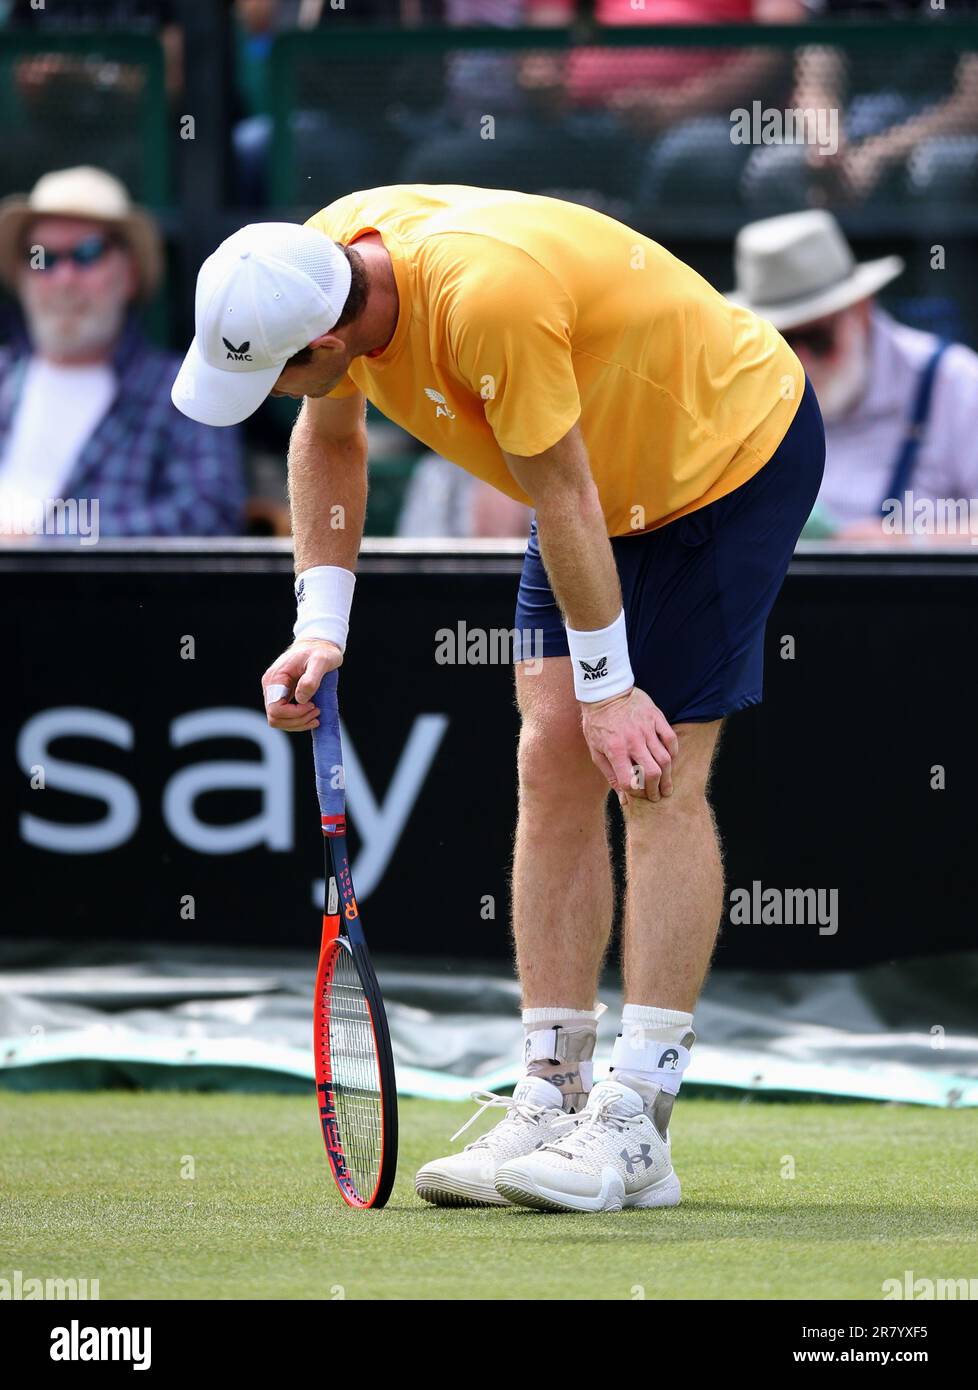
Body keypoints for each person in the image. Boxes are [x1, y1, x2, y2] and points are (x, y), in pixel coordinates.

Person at [171, 185, 825, 1214]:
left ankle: (638, 1121)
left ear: (333, 336)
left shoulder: (486, 302)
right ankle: (553, 1093)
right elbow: (329, 441)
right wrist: (320, 625)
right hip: (587, 474)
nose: (285, 394)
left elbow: (563, 496)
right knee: (548, 754)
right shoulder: (320, 257)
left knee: (653, 773)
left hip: (721, 455)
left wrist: (614, 691)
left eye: (286, 373)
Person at [0, 166, 244, 539]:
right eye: (43, 258)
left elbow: (209, 513)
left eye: (86, 253)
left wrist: (45, 540)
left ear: (129, 273)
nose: (64, 279)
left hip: (94, 597)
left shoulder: (185, 389)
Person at [728, 210, 978, 542]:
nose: (799, 361)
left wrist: (908, 542)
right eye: (780, 343)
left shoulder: (956, 385)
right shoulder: (737, 397)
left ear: (860, 311)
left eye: (816, 337)